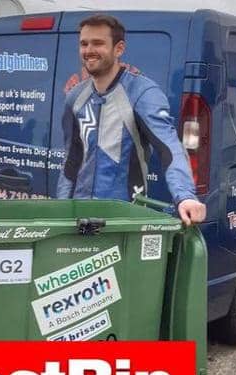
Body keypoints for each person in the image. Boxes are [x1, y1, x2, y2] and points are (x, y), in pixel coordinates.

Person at [57, 14, 206, 226]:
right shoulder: (75, 97)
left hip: (125, 219)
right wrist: (60, 209)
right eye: (84, 43)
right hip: (78, 217)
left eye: (98, 43)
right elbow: (71, 160)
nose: (89, 50)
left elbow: (170, 148)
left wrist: (186, 196)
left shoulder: (142, 93)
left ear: (119, 49)